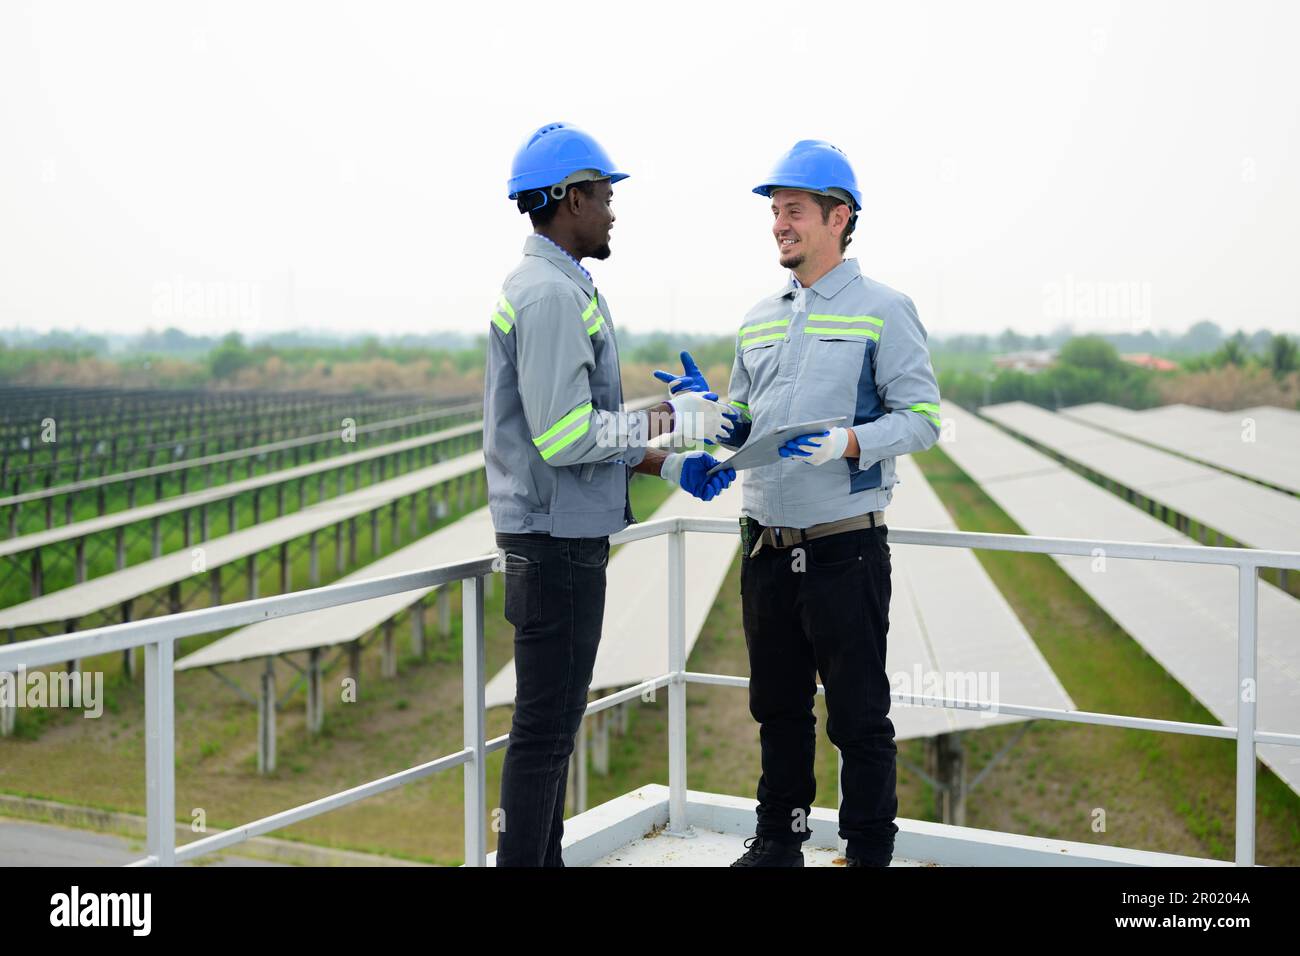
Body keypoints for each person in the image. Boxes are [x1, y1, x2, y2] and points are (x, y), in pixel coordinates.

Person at [659, 139, 941, 867]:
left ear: (838, 217)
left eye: (793, 212)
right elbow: (749, 421)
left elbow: (923, 419)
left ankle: (868, 851)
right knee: (777, 709)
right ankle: (780, 842)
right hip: (765, 544)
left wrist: (847, 442)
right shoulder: (758, 317)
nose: (779, 225)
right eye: (775, 213)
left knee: (857, 717)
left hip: (844, 548)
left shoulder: (885, 310)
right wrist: (711, 411)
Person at [484, 122, 736, 867]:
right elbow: (565, 439)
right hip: (557, 546)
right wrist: (670, 422)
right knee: (544, 732)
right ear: (566, 200)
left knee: (552, 727)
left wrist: (663, 458)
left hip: (560, 535)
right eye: (603, 194)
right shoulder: (550, 295)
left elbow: (571, 437)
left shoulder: (556, 285)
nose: (613, 209)